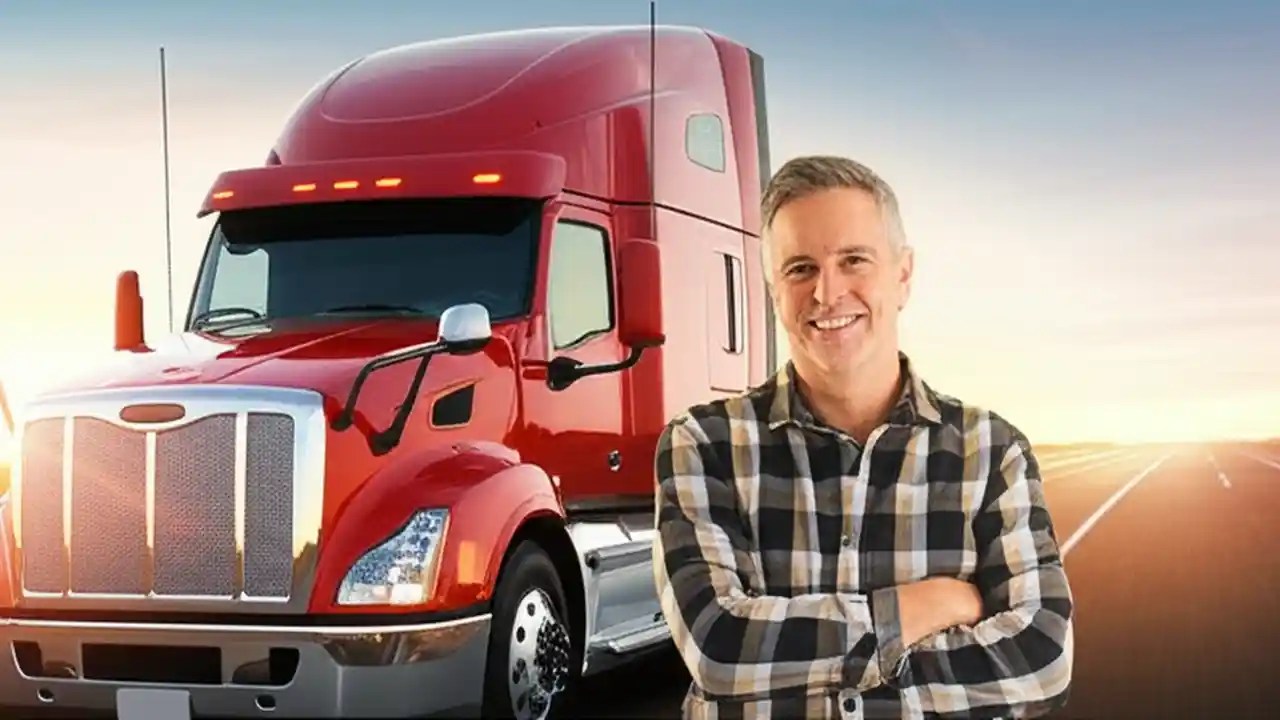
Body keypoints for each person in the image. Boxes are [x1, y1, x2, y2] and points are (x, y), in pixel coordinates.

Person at [652, 155, 1074, 719]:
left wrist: (809, 670)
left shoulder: (992, 452)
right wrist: (922, 607)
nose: (827, 292)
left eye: (854, 260)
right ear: (773, 290)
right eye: (800, 268)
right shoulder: (704, 445)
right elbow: (719, 650)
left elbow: (1041, 658)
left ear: (903, 276)